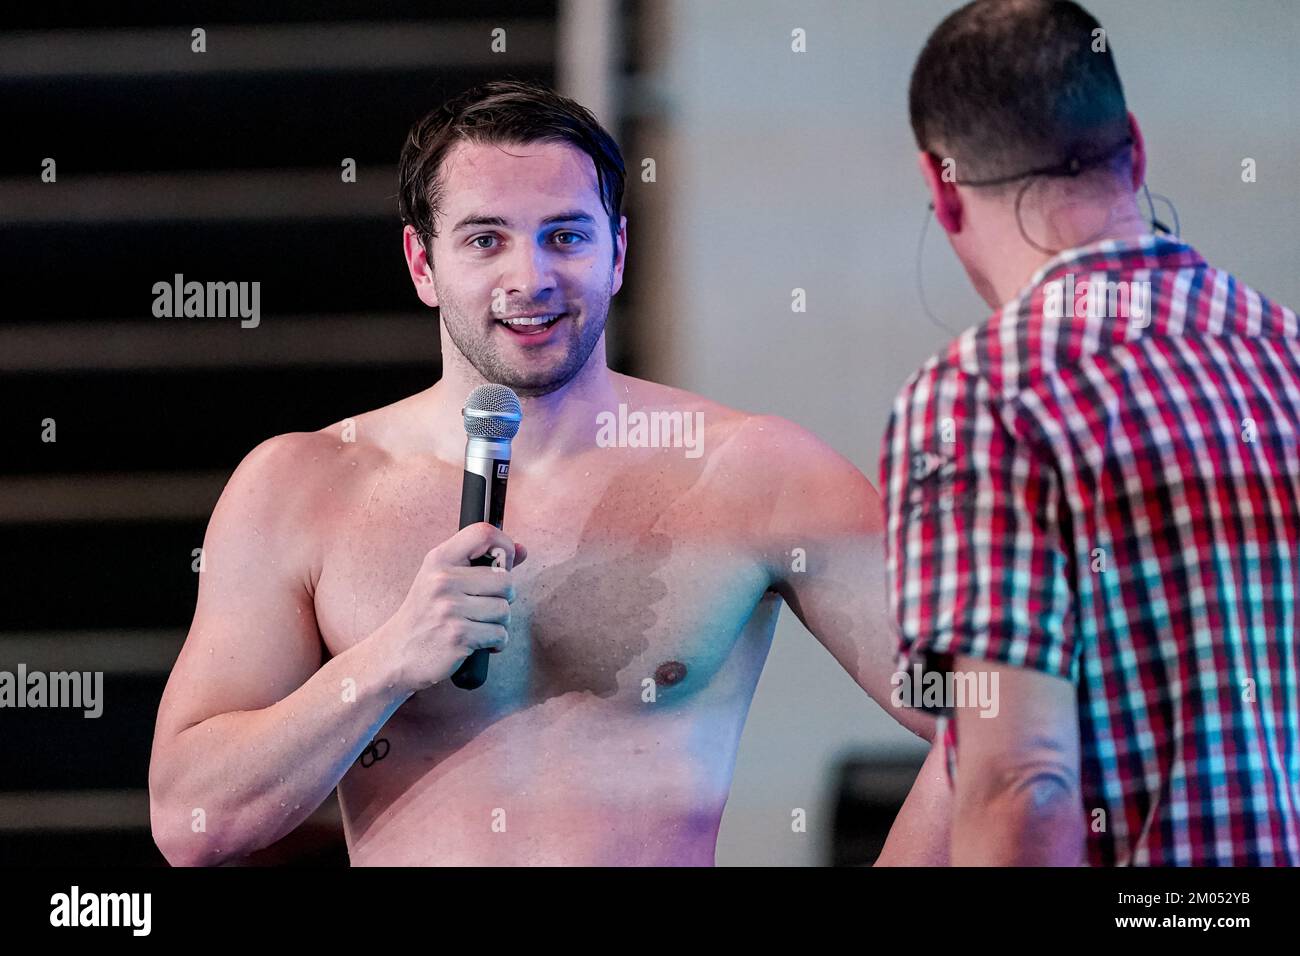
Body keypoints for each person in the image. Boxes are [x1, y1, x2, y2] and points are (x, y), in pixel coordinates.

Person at [148, 79, 947, 866]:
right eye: (485, 238)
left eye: (565, 235)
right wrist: (387, 659)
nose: (530, 278)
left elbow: (997, 717)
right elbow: (192, 821)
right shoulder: (302, 487)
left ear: (618, 252)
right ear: (422, 263)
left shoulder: (755, 471)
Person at [883, 0, 1300, 865]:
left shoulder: (978, 396)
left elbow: (1021, 786)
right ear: (1136, 147)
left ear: (940, 188)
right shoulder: (1288, 354)